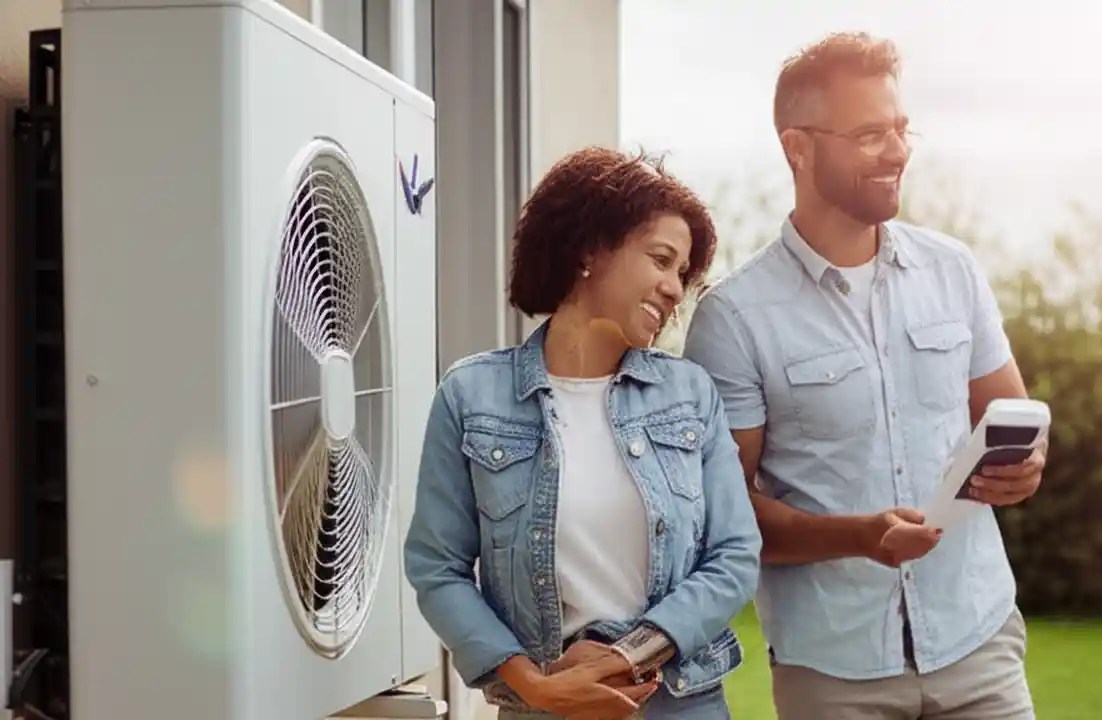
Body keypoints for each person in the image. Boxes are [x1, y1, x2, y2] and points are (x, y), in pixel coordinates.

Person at [682, 32, 1048, 719]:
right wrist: (857, 536)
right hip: (834, 668)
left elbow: (1013, 420)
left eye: (902, 129)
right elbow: (724, 510)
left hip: (977, 640)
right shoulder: (734, 319)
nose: (898, 151)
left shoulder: (953, 271)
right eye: (871, 134)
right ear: (798, 147)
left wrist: (1024, 466)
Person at [404, 146, 762, 720]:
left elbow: (735, 555)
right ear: (589, 249)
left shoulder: (690, 395)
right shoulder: (470, 396)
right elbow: (437, 567)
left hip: (679, 705)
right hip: (542, 706)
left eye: (682, 273)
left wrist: (628, 657)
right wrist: (536, 686)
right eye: (661, 260)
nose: (675, 289)